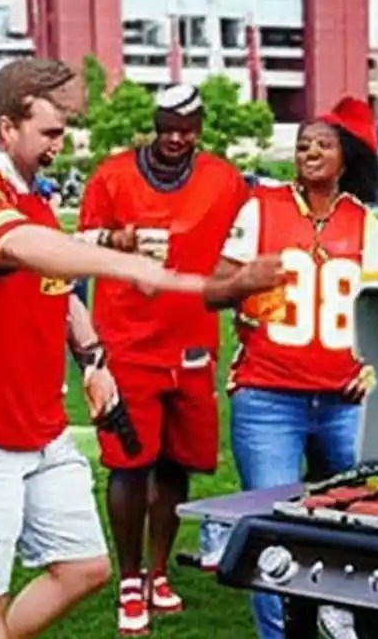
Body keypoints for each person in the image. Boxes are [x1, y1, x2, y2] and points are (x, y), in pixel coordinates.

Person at [0, 58, 281, 639]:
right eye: (51, 131)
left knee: (84, 567)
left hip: (36, 422)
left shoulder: (32, 193)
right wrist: (149, 271)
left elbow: (54, 288)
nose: (62, 143)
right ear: (7, 127)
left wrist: (93, 360)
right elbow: (25, 248)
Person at [76, 83, 255, 635]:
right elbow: (77, 246)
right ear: (153, 126)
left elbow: (247, 241)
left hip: (193, 339)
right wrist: (116, 239)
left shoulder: (224, 179)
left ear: (201, 128)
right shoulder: (111, 174)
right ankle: (130, 580)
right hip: (126, 339)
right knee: (129, 462)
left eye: (188, 129)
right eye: (168, 128)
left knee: (178, 461)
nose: (177, 138)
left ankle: (158, 570)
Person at [210, 96, 378, 639]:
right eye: (302, 144)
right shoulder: (260, 207)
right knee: (271, 529)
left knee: (356, 521)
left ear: (346, 157)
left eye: (322, 144)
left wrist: (375, 365)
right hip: (269, 397)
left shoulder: (366, 224)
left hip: (343, 400)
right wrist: (245, 283)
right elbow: (214, 289)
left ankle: (340, 610)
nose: (309, 151)